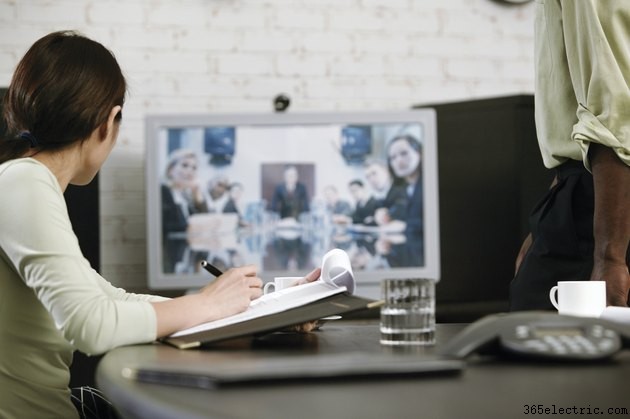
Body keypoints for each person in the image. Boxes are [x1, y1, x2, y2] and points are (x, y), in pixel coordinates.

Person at [0, 31, 320, 419]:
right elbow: (91, 324)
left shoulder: (23, 183)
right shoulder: (23, 183)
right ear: (109, 121)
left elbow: (110, 299)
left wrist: (258, 311)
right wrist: (204, 304)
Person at [509, 1, 630, 311]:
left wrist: (609, 257)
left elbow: (613, 115)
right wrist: (550, 211)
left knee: (538, 345)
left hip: (603, 204)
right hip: (592, 192)